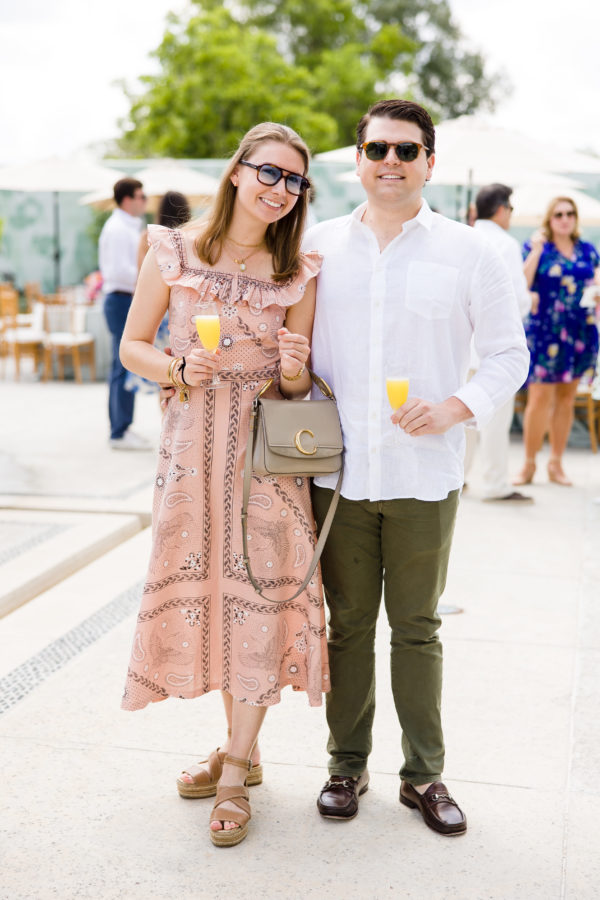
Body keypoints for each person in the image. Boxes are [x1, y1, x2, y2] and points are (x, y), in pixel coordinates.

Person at [303, 99, 529, 836]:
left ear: (429, 161)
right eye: (378, 150)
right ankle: (346, 764)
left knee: (418, 629)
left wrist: (455, 407)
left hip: (425, 471)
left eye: (406, 151)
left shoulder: (472, 252)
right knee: (347, 627)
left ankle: (423, 774)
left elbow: (506, 356)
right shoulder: (318, 245)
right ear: (359, 160)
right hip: (337, 473)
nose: (391, 163)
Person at [119, 122, 329, 848]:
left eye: (295, 181)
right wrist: (177, 370)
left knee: (261, 600)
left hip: (266, 460)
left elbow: (297, 389)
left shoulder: (298, 270)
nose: (280, 191)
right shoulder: (171, 250)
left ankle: (236, 769)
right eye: (269, 173)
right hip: (190, 455)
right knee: (211, 594)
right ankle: (243, 748)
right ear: (237, 172)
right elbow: (133, 347)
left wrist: (297, 366)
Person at [514, 196, 600, 487]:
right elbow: (522, 285)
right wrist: (536, 252)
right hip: (546, 331)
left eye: (570, 213)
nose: (565, 218)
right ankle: (528, 465)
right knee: (539, 398)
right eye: (559, 214)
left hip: (579, 331)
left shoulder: (588, 250)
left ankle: (556, 464)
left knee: (566, 399)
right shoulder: (537, 247)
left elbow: (597, 283)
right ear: (549, 219)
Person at [463, 183, 533, 502]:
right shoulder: (505, 244)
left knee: (459, 418)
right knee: (494, 420)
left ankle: (457, 478)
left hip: (462, 347)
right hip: (494, 350)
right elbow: (516, 300)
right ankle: (494, 484)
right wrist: (531, 301)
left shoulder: (462, 238)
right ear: (502, 209)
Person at [125, 192, 192, 396]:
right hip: (182, 311)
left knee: (162, 374)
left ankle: (165, 417)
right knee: (183, 371)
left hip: (157, 314)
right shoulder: (190, 240)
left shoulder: (147, 238)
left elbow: (140, 278)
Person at [99, 177, 149, 450]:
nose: (145, 201)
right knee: (123, 365)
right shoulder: (118, 228)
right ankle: (119, 431)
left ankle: (122, 427)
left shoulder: (127, 226)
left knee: (126, 365)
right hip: (120, 299)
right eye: (142, 196)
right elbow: (118, 271)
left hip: (124, 298)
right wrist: (150, 277)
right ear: (128, 199)